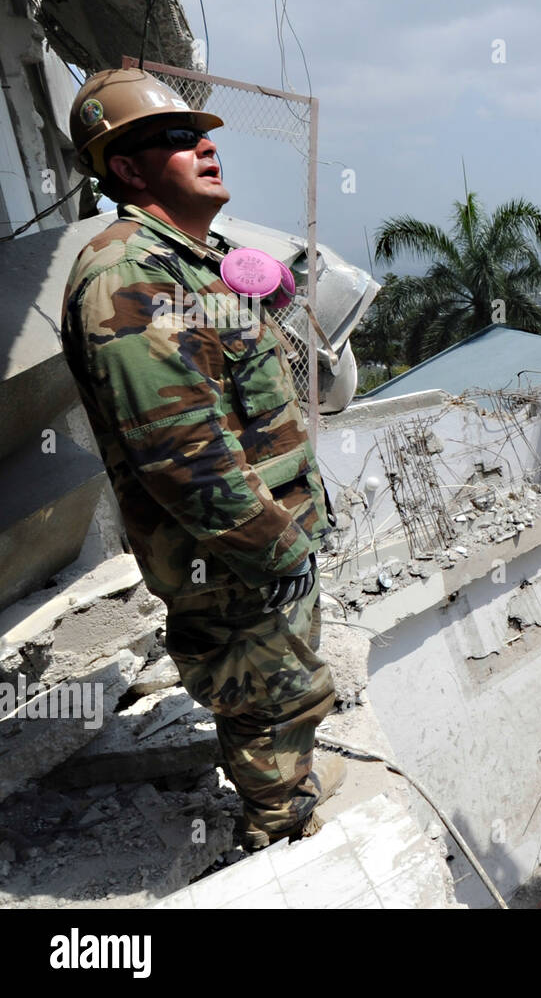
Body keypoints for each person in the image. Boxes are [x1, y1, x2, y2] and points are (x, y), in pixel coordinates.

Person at [59, 68, 343, 851]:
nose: (206, 147)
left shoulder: (194, 256)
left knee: (285, 681)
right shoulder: (129, 274)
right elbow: (180, 450)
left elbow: (244, 395)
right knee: (266, 697)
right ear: (126, 166)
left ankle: (287, 795)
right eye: (179, 139)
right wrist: (273, 545)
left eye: (205, 134)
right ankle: (281, 838)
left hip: (260, 535)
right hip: (222, 556)